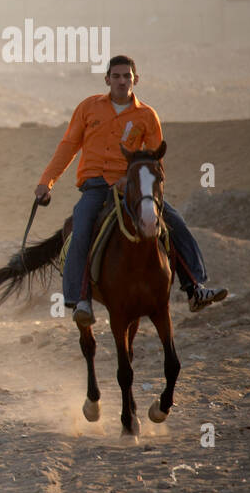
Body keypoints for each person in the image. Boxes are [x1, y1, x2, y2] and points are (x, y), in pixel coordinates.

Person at [35, 55, 227, 327]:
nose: (122, 81)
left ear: (135, 80)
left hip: (133, 186)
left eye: (127, 76)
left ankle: (195, 287)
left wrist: (134, 183)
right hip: (95, 184)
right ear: (107, 80)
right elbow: (68, 146)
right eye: (117, 76)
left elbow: (156, 160)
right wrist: (46, 182)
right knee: (82, 224)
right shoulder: (88, 108)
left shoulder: (146, 115)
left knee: (175, 222)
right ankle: (80, 299)